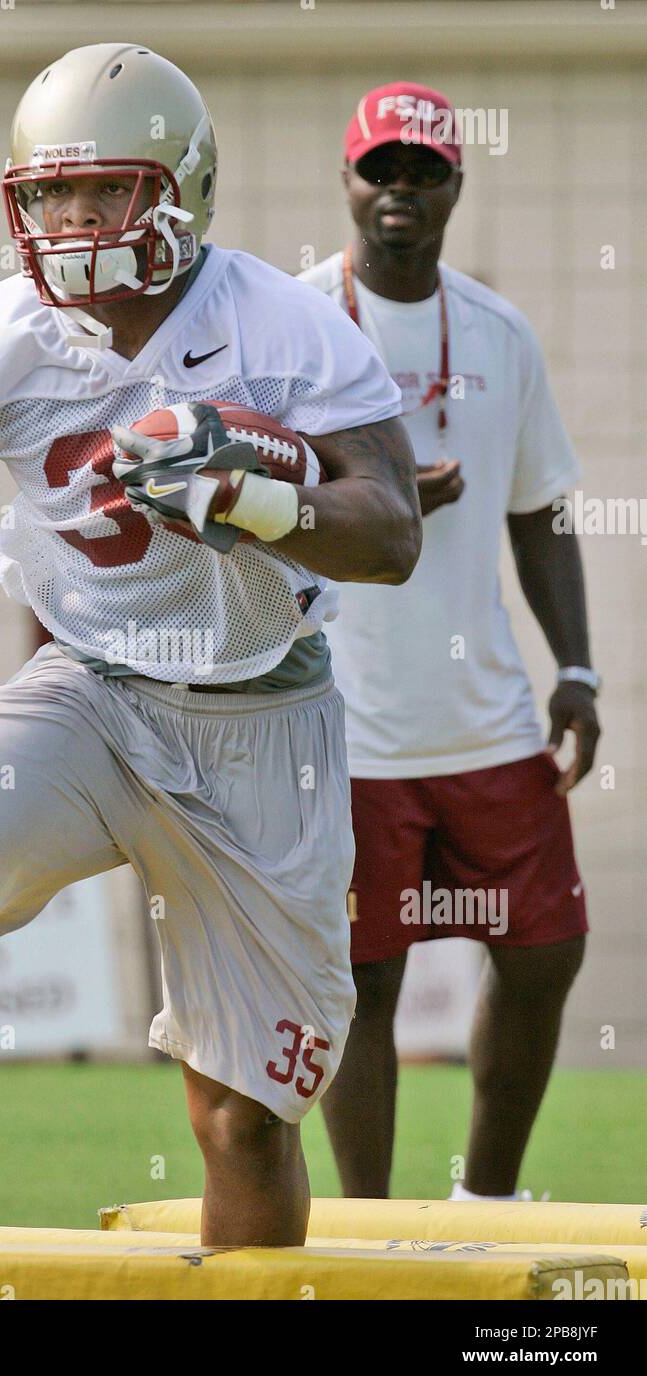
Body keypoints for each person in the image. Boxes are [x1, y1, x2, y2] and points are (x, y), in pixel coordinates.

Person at [0, 45, 420, 1247]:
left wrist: (258, 499)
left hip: (262, 719)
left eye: (99, 192)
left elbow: (393, 530)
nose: (68, 221)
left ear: (179, 189)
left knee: (242, 1121)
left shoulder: (282, 325)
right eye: (47, 195)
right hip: (95, 691)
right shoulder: (3, 333)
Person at [299, 82, 600, 1201]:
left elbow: (540, 507)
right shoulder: (294, 322)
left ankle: (489, 1197)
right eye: (381, 169)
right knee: (363, 980)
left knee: (544, 950)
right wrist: (375, 504)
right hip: (344, 727)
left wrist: (576, 666)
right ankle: (372, 1232)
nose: (399, 191)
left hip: (485, 723)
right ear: (348, 181)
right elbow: (252, 501)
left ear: (455, 187)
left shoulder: (496, 332)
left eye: (423, 171)